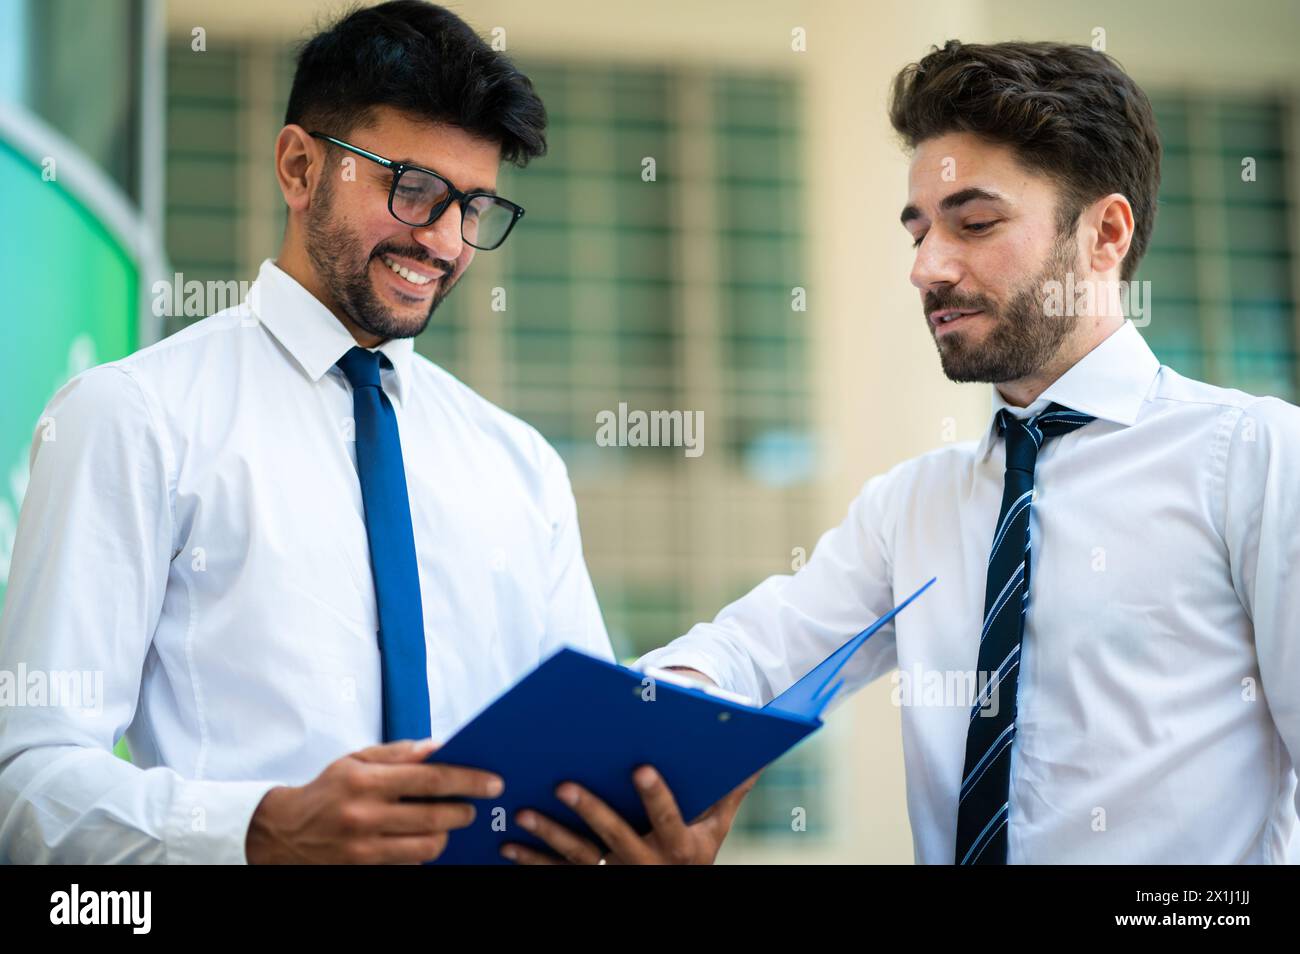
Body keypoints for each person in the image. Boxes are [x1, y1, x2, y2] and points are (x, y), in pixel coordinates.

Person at [0, 0, 746, 866]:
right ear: (298, 166)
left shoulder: (521, 466)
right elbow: (26, 784)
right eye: (414, 189)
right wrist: (263, 828)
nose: (443, 242)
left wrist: (636, 839)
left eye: (474, 206)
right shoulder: (132, 417)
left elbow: (576, 776)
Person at [626, 41, 1299, 864]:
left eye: (975, 224)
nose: (926, 268)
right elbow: (756, 651)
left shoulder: (1257, 458)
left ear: (1106, 235)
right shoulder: (911, 505)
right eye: (919, 231)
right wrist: (669, 726)